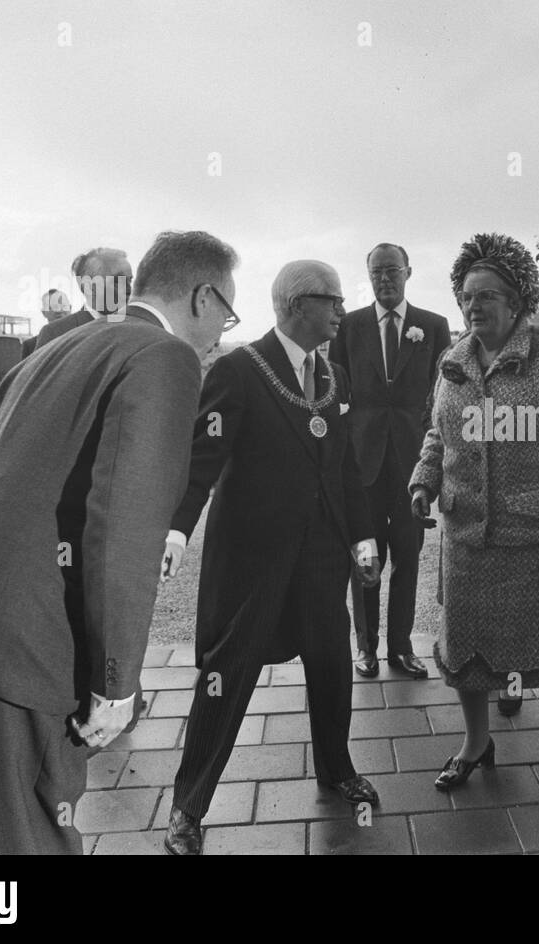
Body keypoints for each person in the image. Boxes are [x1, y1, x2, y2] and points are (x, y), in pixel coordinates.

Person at [0, 229, 236, 853]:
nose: (220, 337)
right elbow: (123, 520)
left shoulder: (54, 349)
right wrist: (116, 681)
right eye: (227, 314)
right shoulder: (164, 357)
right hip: (17, 654)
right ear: (203, 297)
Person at [161, 260, 381, 855]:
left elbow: (347, 469)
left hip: (321, 556)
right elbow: (201, 459)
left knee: (332, 670)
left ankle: (336, 768)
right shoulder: (239, 369)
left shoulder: (332, 375)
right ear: (294, 305)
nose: (342, 309)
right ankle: (188, 807)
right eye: (332, 300)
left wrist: (362, 537)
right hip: (254, 558)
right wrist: (177, 531)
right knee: (225, 679)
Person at [409, 232, 539, 791]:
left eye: (487, 296)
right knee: (465, 643)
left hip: (537, 527)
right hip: (467, 529)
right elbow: (438, 433)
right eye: (467, 297)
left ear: (519, 300)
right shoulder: (454, 360)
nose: (474, 307)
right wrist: (424, 482)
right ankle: (477, 743)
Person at [330, 242, 451, 680]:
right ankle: (365, 649)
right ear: (369, 275)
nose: (385, 279)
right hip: (361, 462)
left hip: (411, 464)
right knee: (364, 556)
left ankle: (401, 648)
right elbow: (336, 391)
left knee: (408, 555)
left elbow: (444, 397)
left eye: (392, 270)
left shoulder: (433, 327)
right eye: (377, 271)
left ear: (408, 272)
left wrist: (436, 462)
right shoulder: (350, 326)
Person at [31, 247, 131, 351]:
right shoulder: (55, 333)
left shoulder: (136, 330)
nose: (129, 289)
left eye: (129, 280)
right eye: (117, 281)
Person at [21, 289, 71, 360]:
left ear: (70, 308)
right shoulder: (30, 346)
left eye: (63, 306)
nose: (58, 310)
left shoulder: (85, 337)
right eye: (52, 307)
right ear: (44, 313)